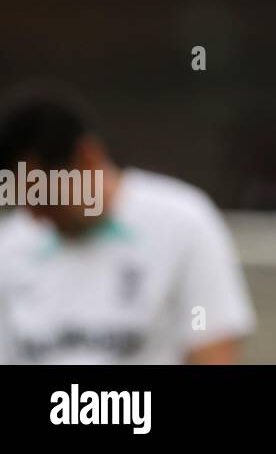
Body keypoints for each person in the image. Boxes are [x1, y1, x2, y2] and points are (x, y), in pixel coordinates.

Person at [0, 82, 256, 363]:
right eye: (25, 201)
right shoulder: (10, 247)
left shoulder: (184, 224)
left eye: (46, 199)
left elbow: (213, 351)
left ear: (87, 157)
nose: (36, 217)